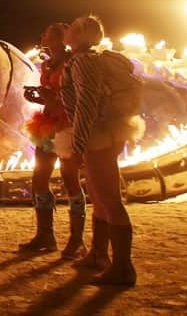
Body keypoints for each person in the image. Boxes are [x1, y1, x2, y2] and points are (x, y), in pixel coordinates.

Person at [62, 15, 144, 287]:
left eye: (73, 28)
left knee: (108, 198)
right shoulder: (86, 59)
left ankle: (123, 268)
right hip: (104, 131)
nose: (67, 30)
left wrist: (79, 143)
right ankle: (98, 255)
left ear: (82, 35)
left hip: (97, 133)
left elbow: (87, 102)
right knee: (98, 196)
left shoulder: (84, 61)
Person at [18, 23, 86, 258]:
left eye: (46, 33)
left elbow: (75, 97)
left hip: (67, 125)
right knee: (39, 178)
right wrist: (38, 97)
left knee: (70, 178)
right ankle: (45, 235)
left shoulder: (72, 62)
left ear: (58, 38)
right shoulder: (47, 65)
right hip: (47, 123)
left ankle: (77, 240)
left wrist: (52, 96)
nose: (41, 35)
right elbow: (53, 99)